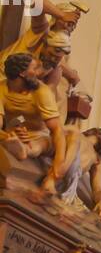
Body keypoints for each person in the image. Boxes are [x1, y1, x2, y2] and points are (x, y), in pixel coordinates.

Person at [0, 51, 66, 192]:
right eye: (34, 69)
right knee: (9, 137)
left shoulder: (42, 92)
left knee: (39, 144)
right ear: (22, 74)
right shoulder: (1, 89)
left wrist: (57, 169)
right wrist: (9, 134)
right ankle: (15, 144)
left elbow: (57, 130)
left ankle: (25, 150)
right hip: (13, 133)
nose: (38, 73)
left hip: (40, 135)